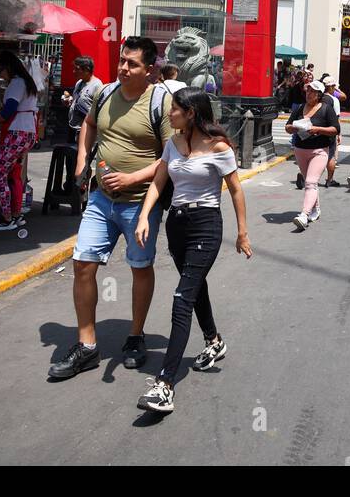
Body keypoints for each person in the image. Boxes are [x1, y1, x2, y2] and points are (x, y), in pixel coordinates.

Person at [53, 37, 173, 380]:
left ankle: (135, 336)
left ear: (149, 70)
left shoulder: (161, 103)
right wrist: (81, 163)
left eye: (132, 63)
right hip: (101, 199)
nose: (123, 67)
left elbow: (170, 157)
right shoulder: (105, 93)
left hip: (141, 205)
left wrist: (133, 177)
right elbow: (89, 126)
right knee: (82, 264)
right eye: (122, 60)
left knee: (139, 266)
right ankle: (87, 345)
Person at [133, 89, 250, 413]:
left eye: (175, 109)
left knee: (182, 298)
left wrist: (242, 233)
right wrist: (144, 217)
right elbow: (158, 182)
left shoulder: (218, 147)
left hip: (206, 226)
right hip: (178, 226)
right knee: (195, 287)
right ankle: (214, 341)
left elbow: (236, 190)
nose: (169, 114)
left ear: (191, 113)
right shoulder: (172, 144)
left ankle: (165, 385)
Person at [0, 52, 41, 233]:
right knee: (9, 173)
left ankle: (6, 217)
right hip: (27, 133)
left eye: (1, 71)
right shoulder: (27, 81)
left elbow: (9, 109)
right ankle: (16, 215)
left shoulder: (17, 82)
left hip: (18, 133)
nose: (1, 76)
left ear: (8, 68)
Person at [285, 79, 340, 231]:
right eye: (307, 91)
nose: (308, 94)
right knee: (311, 184)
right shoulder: (300, 108)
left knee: (309, 182)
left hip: (320, 150)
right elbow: (288, 126)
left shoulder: (326, 109)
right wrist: (293, 128)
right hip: (300, 149)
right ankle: (315, 209)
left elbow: (336, 129)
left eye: (312, 91)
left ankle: (304, 215)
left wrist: (317, 129)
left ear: (319, 94)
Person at [65, 56, 104, 141]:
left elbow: (100, 111)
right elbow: (78, 100)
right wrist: (69, 102)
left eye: (77, 69)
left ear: (86, 69)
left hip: (86, 131)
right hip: (73, 127)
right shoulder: (79, 83)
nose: (74, 71)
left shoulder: (97, 85)